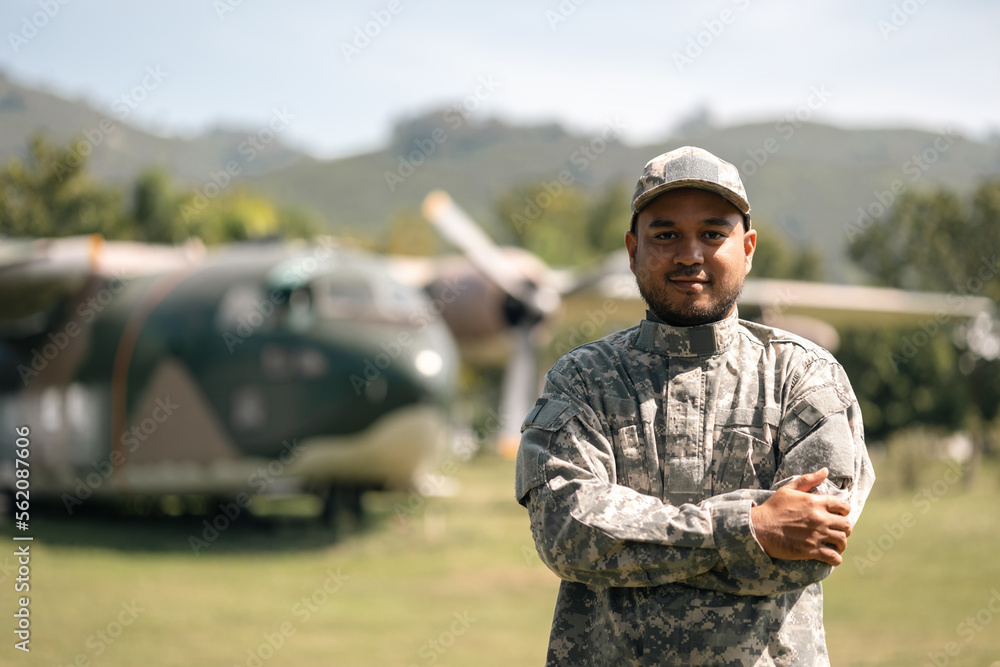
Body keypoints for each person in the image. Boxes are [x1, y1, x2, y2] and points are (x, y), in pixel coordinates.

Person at [515, 146, 875, 666]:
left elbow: (806, 550)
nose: (690, 254)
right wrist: (750, 528)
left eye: (712, 233)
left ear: (747, 247)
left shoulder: (804, 376)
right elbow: (569, 533)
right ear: (632, 249)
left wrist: (627, 534)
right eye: (665, 235)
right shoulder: (581, 381)